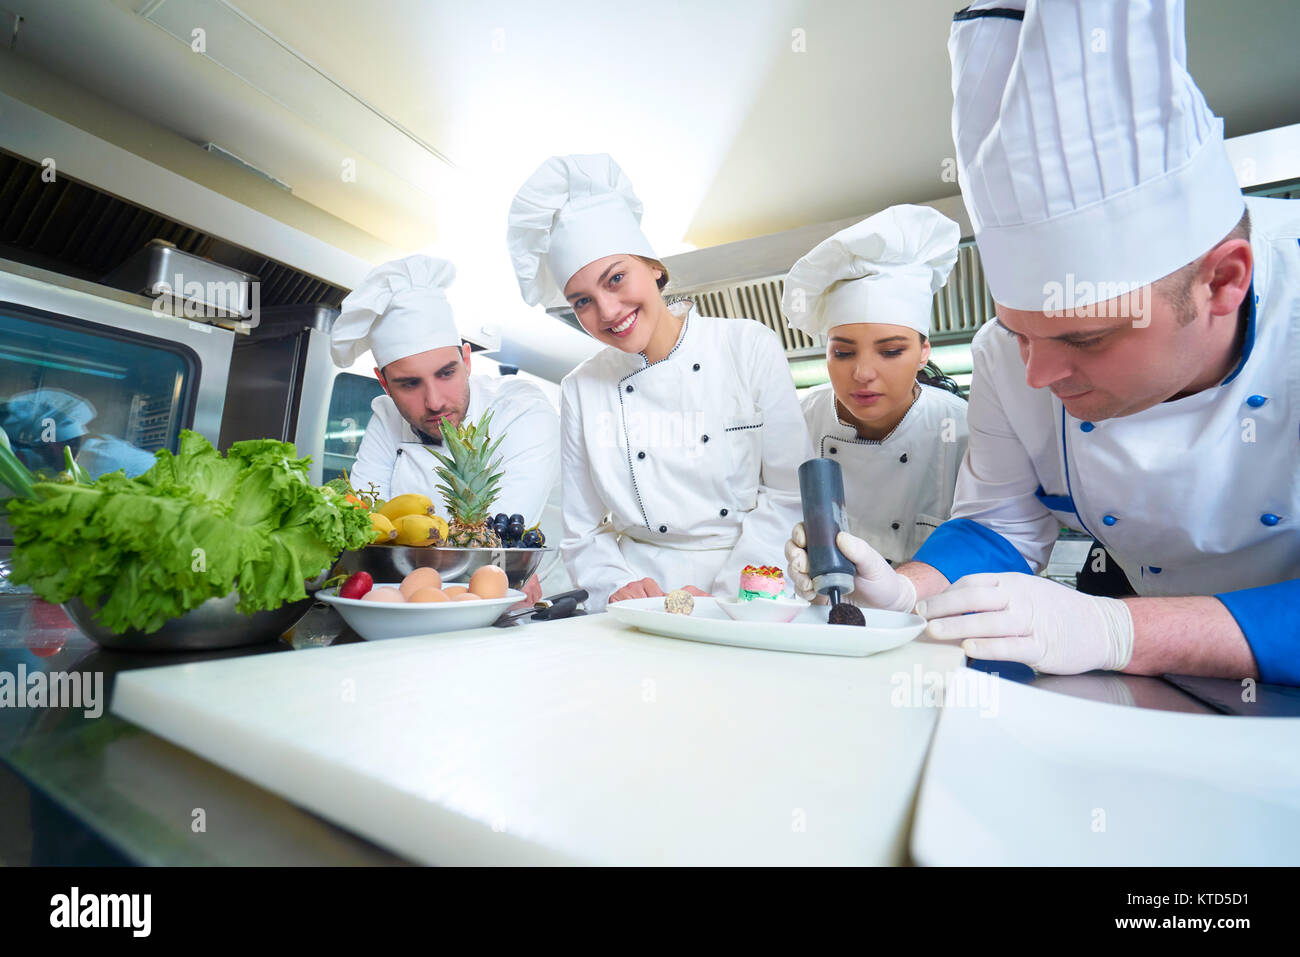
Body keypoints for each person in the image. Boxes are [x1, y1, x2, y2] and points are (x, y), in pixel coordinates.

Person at [786, 0, 1299, 685]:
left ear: (1223, 282)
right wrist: (906, 591)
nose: (1037, 374)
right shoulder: (1012, 355)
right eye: (1017, 329)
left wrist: (1123, 628)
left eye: (1084, 336)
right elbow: (999, 525)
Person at [508, 154, 813, 611]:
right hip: (638, 600)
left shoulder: (748, 346)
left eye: (616, 279)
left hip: (750, 591)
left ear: (653, 266)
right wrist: (617, 585)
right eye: (582, 301)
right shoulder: (580, 388)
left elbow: (791, 494)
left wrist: (729, 592)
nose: (608, 312)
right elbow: (582, 531)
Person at [783, 205, 969, 565]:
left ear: (922, 351)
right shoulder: (802, 420)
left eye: (891, 351)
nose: (863, 373)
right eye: (843, 353)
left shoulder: (963, 430)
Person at [331, 254, 560, 529]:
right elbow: (366, 523)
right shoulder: (386, 416)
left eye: (446, 373)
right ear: (384, 383)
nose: (435, 402)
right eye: (409, 384)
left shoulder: (522, 410)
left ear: (467, 360)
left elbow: (498, 534)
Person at [0, 388, 157, 480]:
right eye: (38, 449)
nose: (43, 456)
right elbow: (27, 459)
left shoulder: (102, 459)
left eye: (45, 448)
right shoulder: (69, 453)